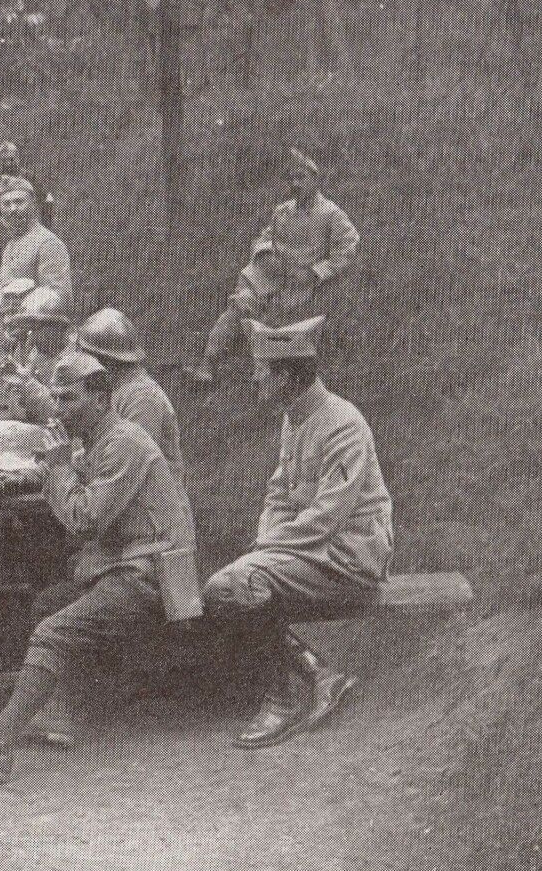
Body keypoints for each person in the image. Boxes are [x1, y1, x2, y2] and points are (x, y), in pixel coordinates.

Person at [0, 351, 197, 783]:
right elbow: (63, 471)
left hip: (151, 573)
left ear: (101, 398)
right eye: (57, 398)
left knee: (52, 630)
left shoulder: (124, 442)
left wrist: (59, 466)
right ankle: (57, 716)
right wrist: (3, 479)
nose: (59, 409)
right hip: (123, 564)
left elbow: (84, 518)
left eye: (69, 399)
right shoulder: (97, 437)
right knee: (47, 604)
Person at [200, 315, 391, 748]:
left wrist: (264, 549)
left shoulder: (343, 424)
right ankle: (319, 673)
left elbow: (326, 517)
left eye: (260, 371)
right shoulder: (296, 418)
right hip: (313, 551)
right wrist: (264, 542)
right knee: (230, 585)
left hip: (350, 557)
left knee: (235, 585)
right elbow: (279, 495)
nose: (254, 379)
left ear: (285, 376)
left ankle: (284, 701)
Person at [188, 149, 359, 384]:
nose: (296, 184)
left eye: (301, 178)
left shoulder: (330, 214)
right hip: (269, 276)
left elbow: (348, 247)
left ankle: (263, 376)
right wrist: (266, 254)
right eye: (291, 179)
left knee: (271, 320)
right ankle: (207, 365)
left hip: (298, 284)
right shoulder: (282, 211)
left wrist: (316, 272)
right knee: (239, 305)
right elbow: (263, 238)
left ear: (315, 179)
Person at [76, 308, 186, 493]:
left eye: (86, 356)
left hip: (150, 503)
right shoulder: (116, 388)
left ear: (106, 360)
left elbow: (129, 460)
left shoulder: (142, 398)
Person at [0, 286, 74, 422]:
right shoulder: (38, 353)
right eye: (29, 330)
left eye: (36, 330)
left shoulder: (74, 363)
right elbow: (17, 409)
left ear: (56, 327)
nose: (31, 337)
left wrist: (27, 384)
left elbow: (63, 417)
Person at [0, 178, 72, 308]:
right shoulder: (10, 245)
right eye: (6, 204)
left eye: (19, 202)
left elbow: (59, 296)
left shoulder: (48, 243)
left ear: (33, 204)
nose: (12, 209)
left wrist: (23, 309)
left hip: (32, 319)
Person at [0, 141, 55, 227]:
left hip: (25, 224)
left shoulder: (29, 177)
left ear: (17, 157)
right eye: (4, 160)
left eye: (11, 159)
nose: (8, 163)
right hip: (2, 225)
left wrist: (46, 226)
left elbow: (47, 199)